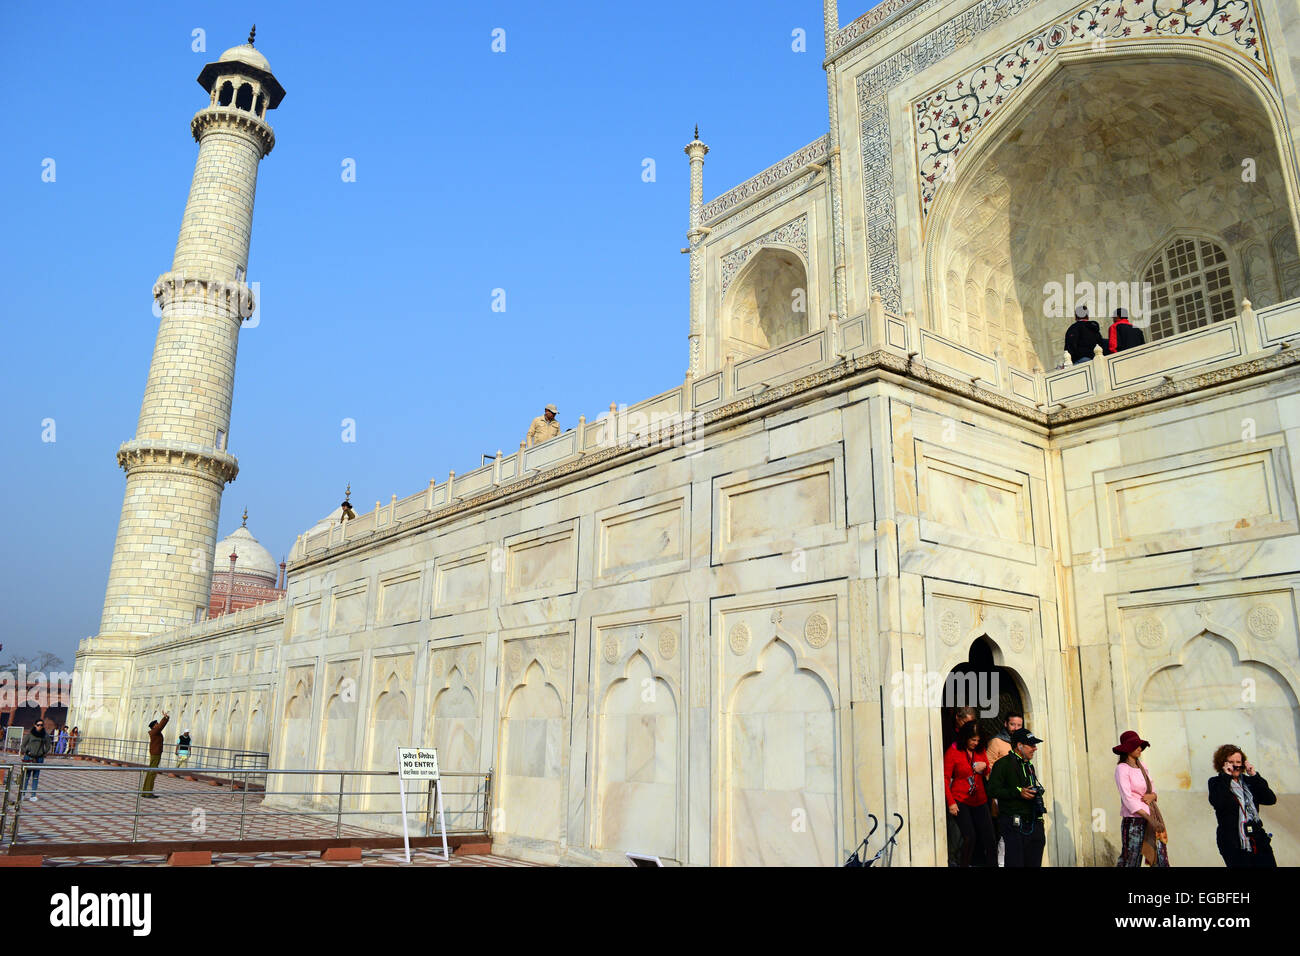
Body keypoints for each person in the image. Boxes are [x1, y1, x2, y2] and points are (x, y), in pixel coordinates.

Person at [1207, 744, 1277, 868]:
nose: (1235, 765)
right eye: (1231, 762)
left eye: (1238, 762)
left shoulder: (1250, 781)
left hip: (1257, 838)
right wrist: (1226, 777)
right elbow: (1218, 802)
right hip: (1233, 842)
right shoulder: (1217, 782)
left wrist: (1254, 775)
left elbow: (1270, 799)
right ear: (1222, 763)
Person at [987, 727, 1047, 867]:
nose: (1035, 748)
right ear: (1019, 746)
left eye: (1035, 745)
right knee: (1015, 862)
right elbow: (992, 790)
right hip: (1014, 824)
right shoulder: (1003, 764)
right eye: (1031, 745)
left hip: (1033, 822)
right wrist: (1017, 793)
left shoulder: (1028, 765)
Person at [1113, 730, 1169, 867]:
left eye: (1140, 746)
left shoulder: (1143, 767)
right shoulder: (1122, 769)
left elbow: (1152, 788)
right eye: (1136, 745)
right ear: (1127, 749)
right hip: (1134, 821)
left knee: (1160, 858)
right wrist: (1148, 818)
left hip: (1152, 817)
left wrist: (1153, 796)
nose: (1139, 749)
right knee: (1131, 859)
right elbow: (1127, 798)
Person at [945, 720, 995, 866]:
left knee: (989, 837)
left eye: (978, 740)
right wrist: (951, 802)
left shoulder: (980, 750)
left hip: (979, 799)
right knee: (969, 837)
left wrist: (985, 766)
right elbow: (945, 778)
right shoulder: (954, 750)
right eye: (973, 740)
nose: (975, 743)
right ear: (965, 737)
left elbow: (987, 770)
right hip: (960, 799)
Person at [985, 711, 1023, 866]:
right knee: (1003, 831)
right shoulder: (997, 742)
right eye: (1012, 724)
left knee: (1017, 830)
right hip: (1002, 794)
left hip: (1018, 793)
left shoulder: (1022, 743)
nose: (1015, 728)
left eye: (1019, 725)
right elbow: (988, 766)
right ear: (1006, 724)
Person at [945, 706, 978, 865]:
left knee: (970, 831)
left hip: (970, 790)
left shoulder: (971, 736)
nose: (969, 726)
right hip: (953, 785)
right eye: (966, 722)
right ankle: (953, 860)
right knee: (956, 829)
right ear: (958, 717)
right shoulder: (948, 732)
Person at [20, 719, 54, 801]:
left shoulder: (44, 735)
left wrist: (43, 752)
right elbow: (23, 745)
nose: (40, 726)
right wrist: (27, 752)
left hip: (39, 757)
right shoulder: (30, 734)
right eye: (38, 725)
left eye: (42, 725)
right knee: (26, 776)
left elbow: (48, 745)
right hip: (29, 757)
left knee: (35, 776)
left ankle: (33, 795)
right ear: (35, 725)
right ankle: (23, 794)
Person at [142, 711, 170, 798]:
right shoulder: (155, 732)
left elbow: (160, 727)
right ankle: (148, 793)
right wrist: (165, 718)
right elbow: (161, 727)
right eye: (157, 724)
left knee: (151, 772)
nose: (158, 725)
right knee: (152, 772)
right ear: (154, 726)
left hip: (155, 753)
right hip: (155, 754)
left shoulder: (155, 732)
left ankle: (145, 792)